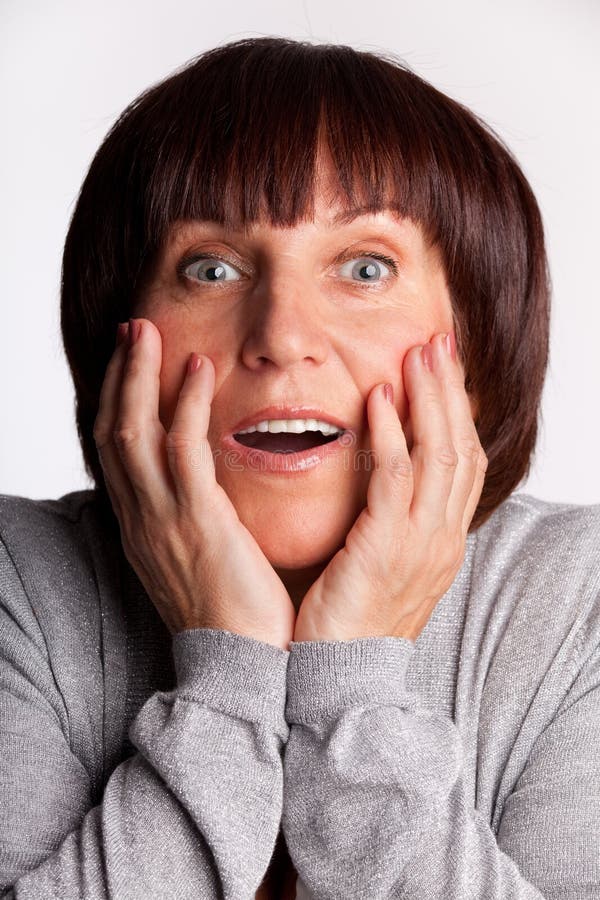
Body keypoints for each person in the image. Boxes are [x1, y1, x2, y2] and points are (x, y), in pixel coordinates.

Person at [0, 35, 599, 900]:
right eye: (211, 268)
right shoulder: (18, 578)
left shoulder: (576, 602)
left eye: (365, 268)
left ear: (477, 341)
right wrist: (227, 676)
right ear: (119, 341)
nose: (281, 335)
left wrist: (352, 686)